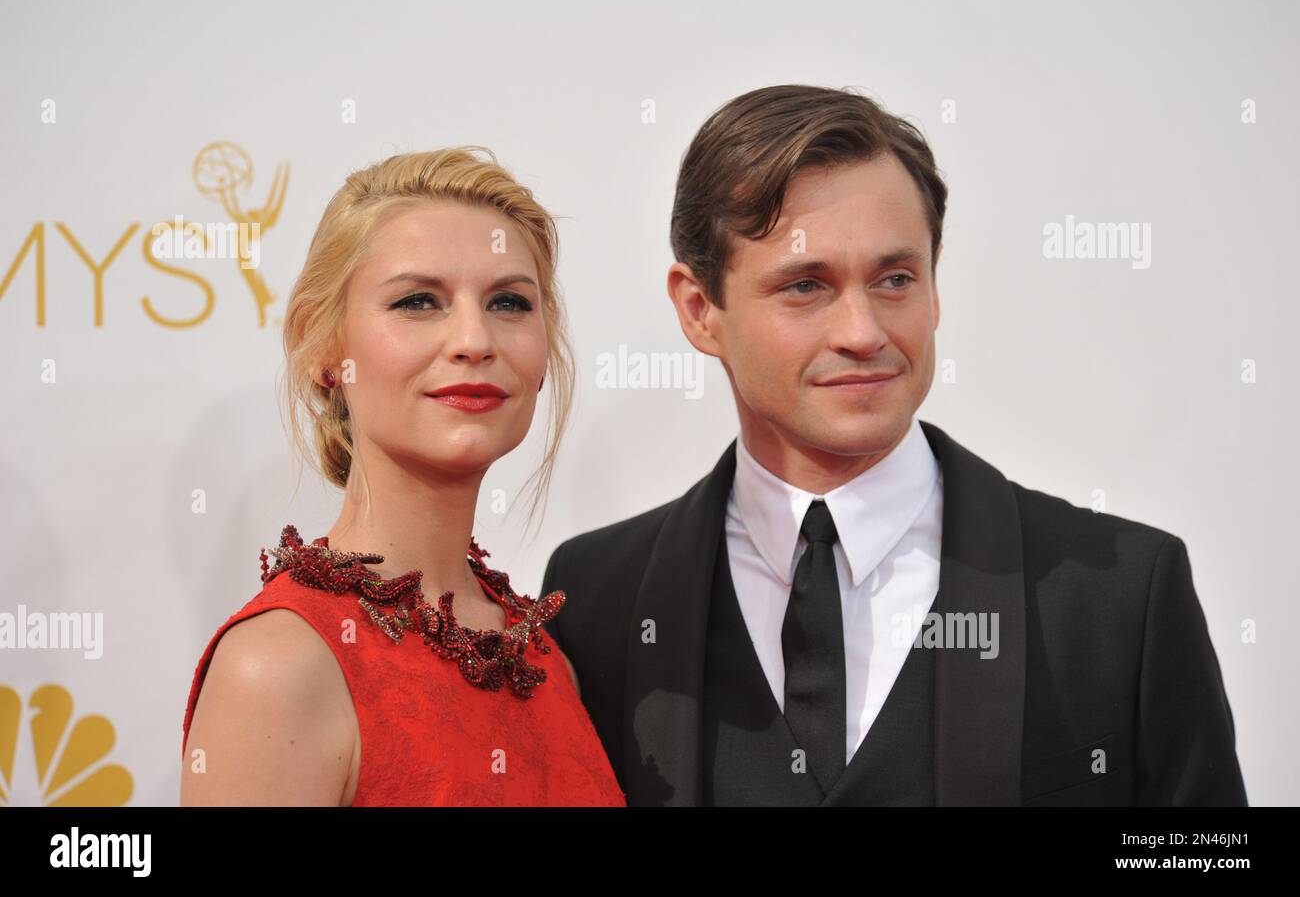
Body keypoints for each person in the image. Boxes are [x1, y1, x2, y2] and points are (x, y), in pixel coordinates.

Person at [540, 84, 1248, 806]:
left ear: (934, 289)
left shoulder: (1120, 594)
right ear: (700, 310)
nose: (863, 331)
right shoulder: (598, 598)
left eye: (895, 279)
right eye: (806, 285)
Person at [181, 147, 625, 806]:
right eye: (419, 301)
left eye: (509, 301)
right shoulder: (279, 666)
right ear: (325, 349)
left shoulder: (543, 657)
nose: (473, 338)